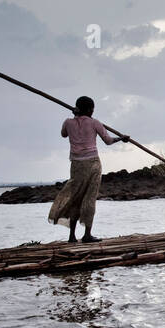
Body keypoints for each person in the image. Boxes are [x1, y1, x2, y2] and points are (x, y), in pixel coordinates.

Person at [47, 96, 128, 243]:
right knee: (89, 199)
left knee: (75, 197)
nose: (93, 111)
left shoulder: (68, 122)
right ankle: (87, 235)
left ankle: (72, 236)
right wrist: (121, 138)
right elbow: (108, 141)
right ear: (90, 109)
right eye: (92, 109)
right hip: (92, 164)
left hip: (76, 165)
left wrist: (74, 116)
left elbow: (63, 134)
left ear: (77, 108)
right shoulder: (95, 123)